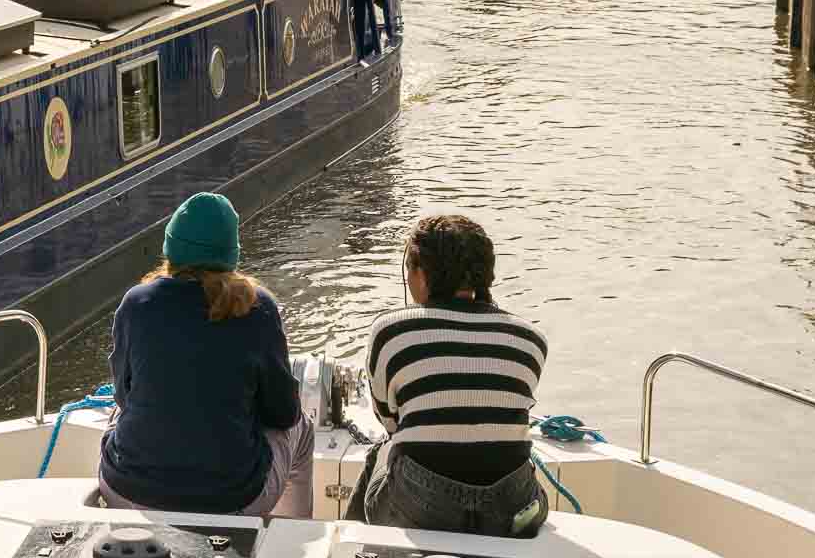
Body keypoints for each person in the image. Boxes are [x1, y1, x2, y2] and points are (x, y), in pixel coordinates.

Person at [96, 194, 310, 517]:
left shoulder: (135, 304)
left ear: (171, 248)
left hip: (128, 490)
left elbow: (123, 397)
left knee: (120, 415)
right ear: (231, 254)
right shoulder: (258, 308)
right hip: (231, 500)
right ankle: (289, 534)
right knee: (302, 429)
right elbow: (284, 413)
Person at [347, 213, 550, 536]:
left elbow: (390, 422)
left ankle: (356, 549)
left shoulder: (390, 332)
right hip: (509, 507)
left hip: (422, 505)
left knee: (381, 452)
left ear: (421, 272)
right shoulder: (531, 340)